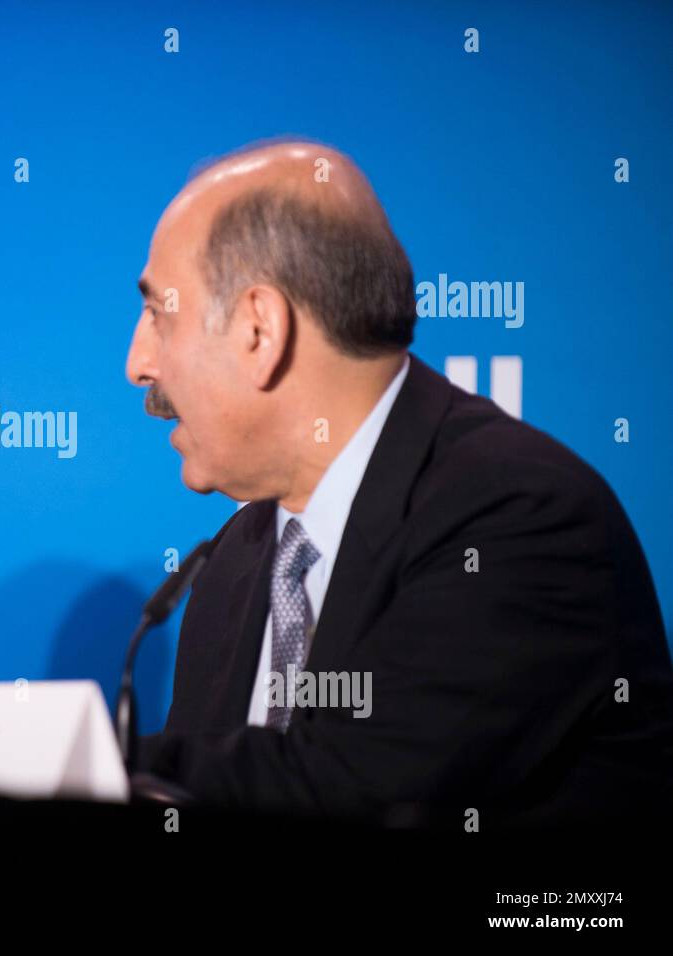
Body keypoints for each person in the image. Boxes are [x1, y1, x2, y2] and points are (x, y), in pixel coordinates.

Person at [125, 138, 673, 826]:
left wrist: (46, 763)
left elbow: (354, 795)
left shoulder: (521, 518)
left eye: (159, 315)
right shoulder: (236, 560)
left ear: (259, 330)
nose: (138, 363)